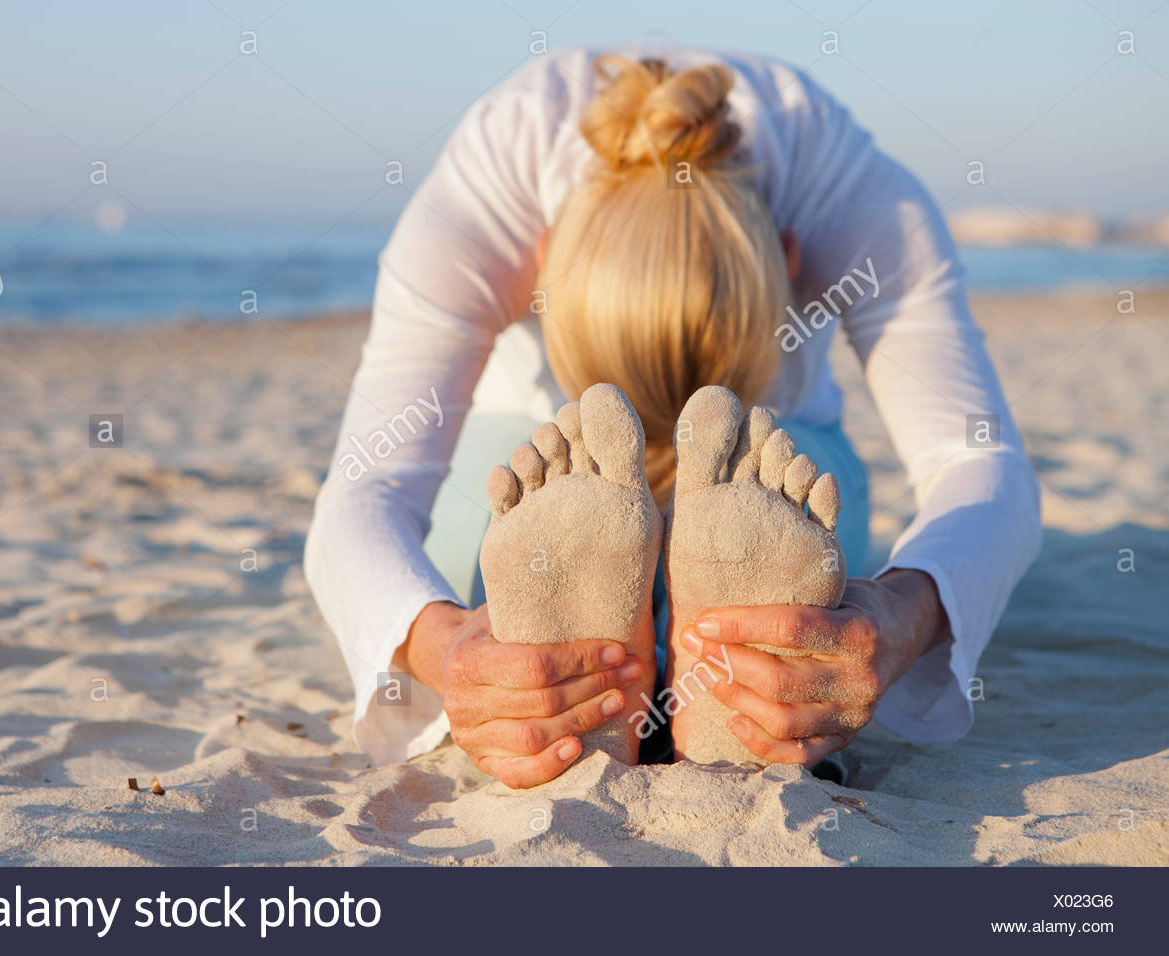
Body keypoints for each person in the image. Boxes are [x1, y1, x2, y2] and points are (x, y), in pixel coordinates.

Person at [303, 46, 1040, 789]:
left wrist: (891, 621)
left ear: (790, 262)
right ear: (541, 262)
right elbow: (987, 469)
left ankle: (614, 662)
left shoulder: (840, 189)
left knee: (753, 499)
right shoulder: (491, 192)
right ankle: (732, 680)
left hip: (692, 452)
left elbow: (981, 465)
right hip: (616, 445)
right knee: (781, 500)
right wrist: (450, 648)